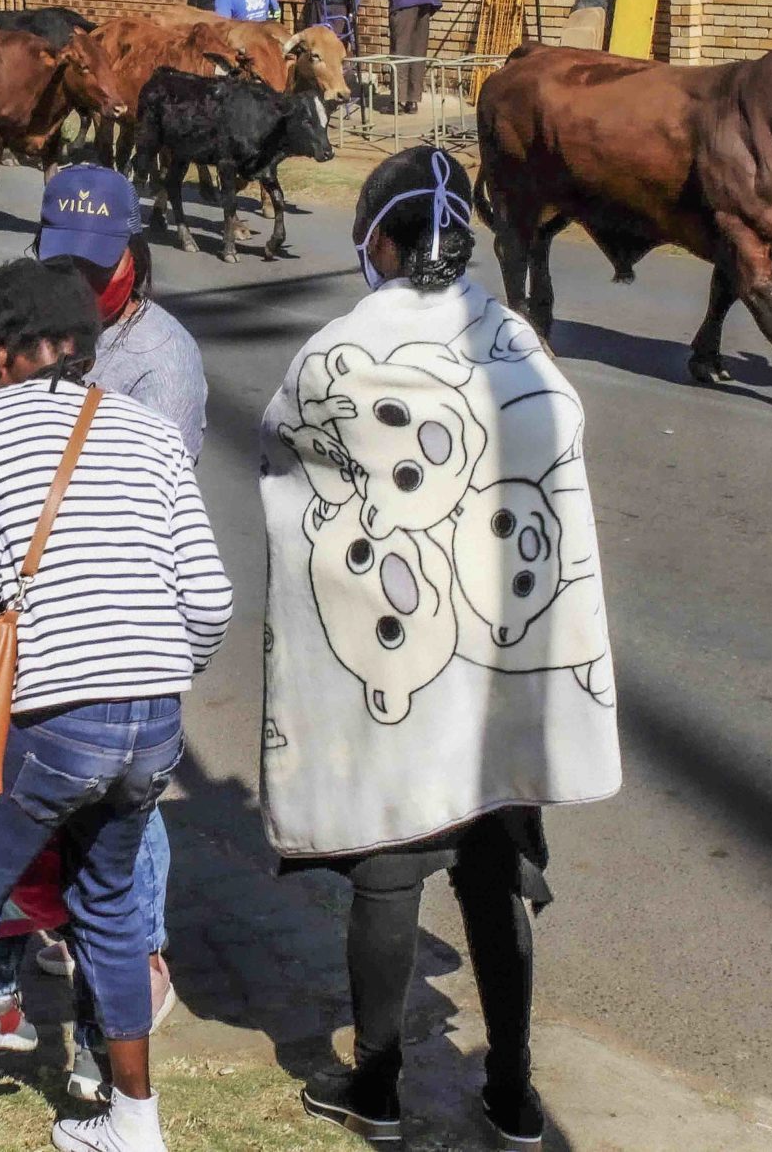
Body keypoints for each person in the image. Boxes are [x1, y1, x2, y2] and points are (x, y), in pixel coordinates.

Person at [259, 146, 621, 1150]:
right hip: (501, 665)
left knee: (390, 865)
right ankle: (511, 1089)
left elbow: (286, 461)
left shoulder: (338, 348)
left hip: (399, 675)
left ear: (378, 238)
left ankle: (374, 1082)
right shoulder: (517, 341)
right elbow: (557, 458)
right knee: (492, 868)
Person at [0, 258, 232, 1152]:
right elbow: (209, 600)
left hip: (47, 717)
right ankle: (134, 1124)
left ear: (0, 350)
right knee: (112, 907)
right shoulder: (151, 434)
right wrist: (157, 667)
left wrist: (0, 648)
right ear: (84, 346)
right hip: (151, 718)